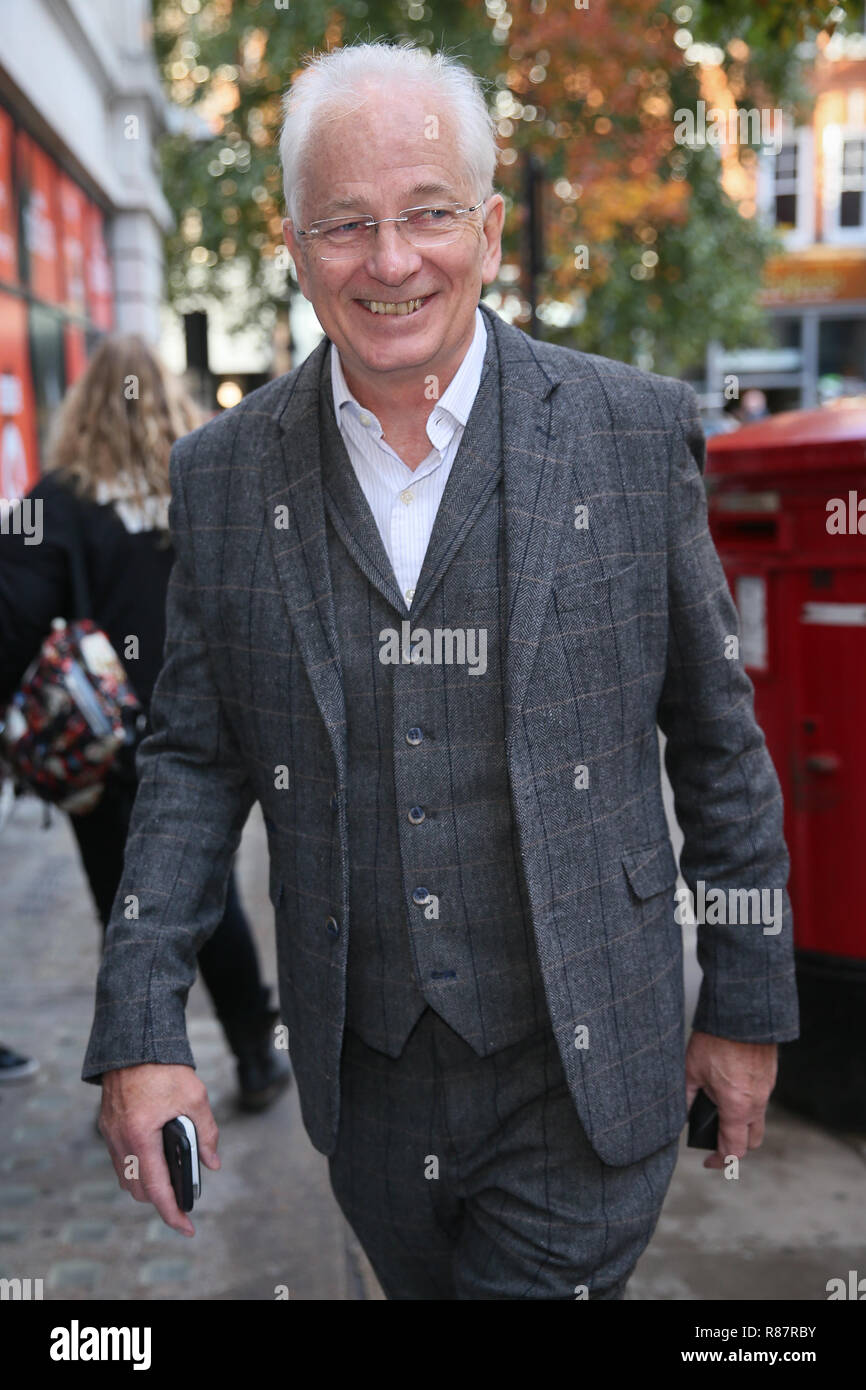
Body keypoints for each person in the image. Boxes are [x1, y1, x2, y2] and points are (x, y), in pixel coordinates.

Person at [83, 42, 798, 1299]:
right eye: (345, 225)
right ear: (295, 249)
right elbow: (194, 758)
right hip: (371, 1097)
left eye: (426, 213)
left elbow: (717, 739)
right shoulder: (226, 474)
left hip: (582, 1075)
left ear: (485, 220)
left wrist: (742, 998)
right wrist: (141, 1023)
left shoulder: (630, 434)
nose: (392, 260)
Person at [0, 336, 290, 1112]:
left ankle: (137, 1070)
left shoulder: (59, 500)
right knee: (212, 892)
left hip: (106, 742)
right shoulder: (198, 475)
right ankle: (256, 1051)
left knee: (123, 906)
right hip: (202, 725)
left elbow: (13, 618)